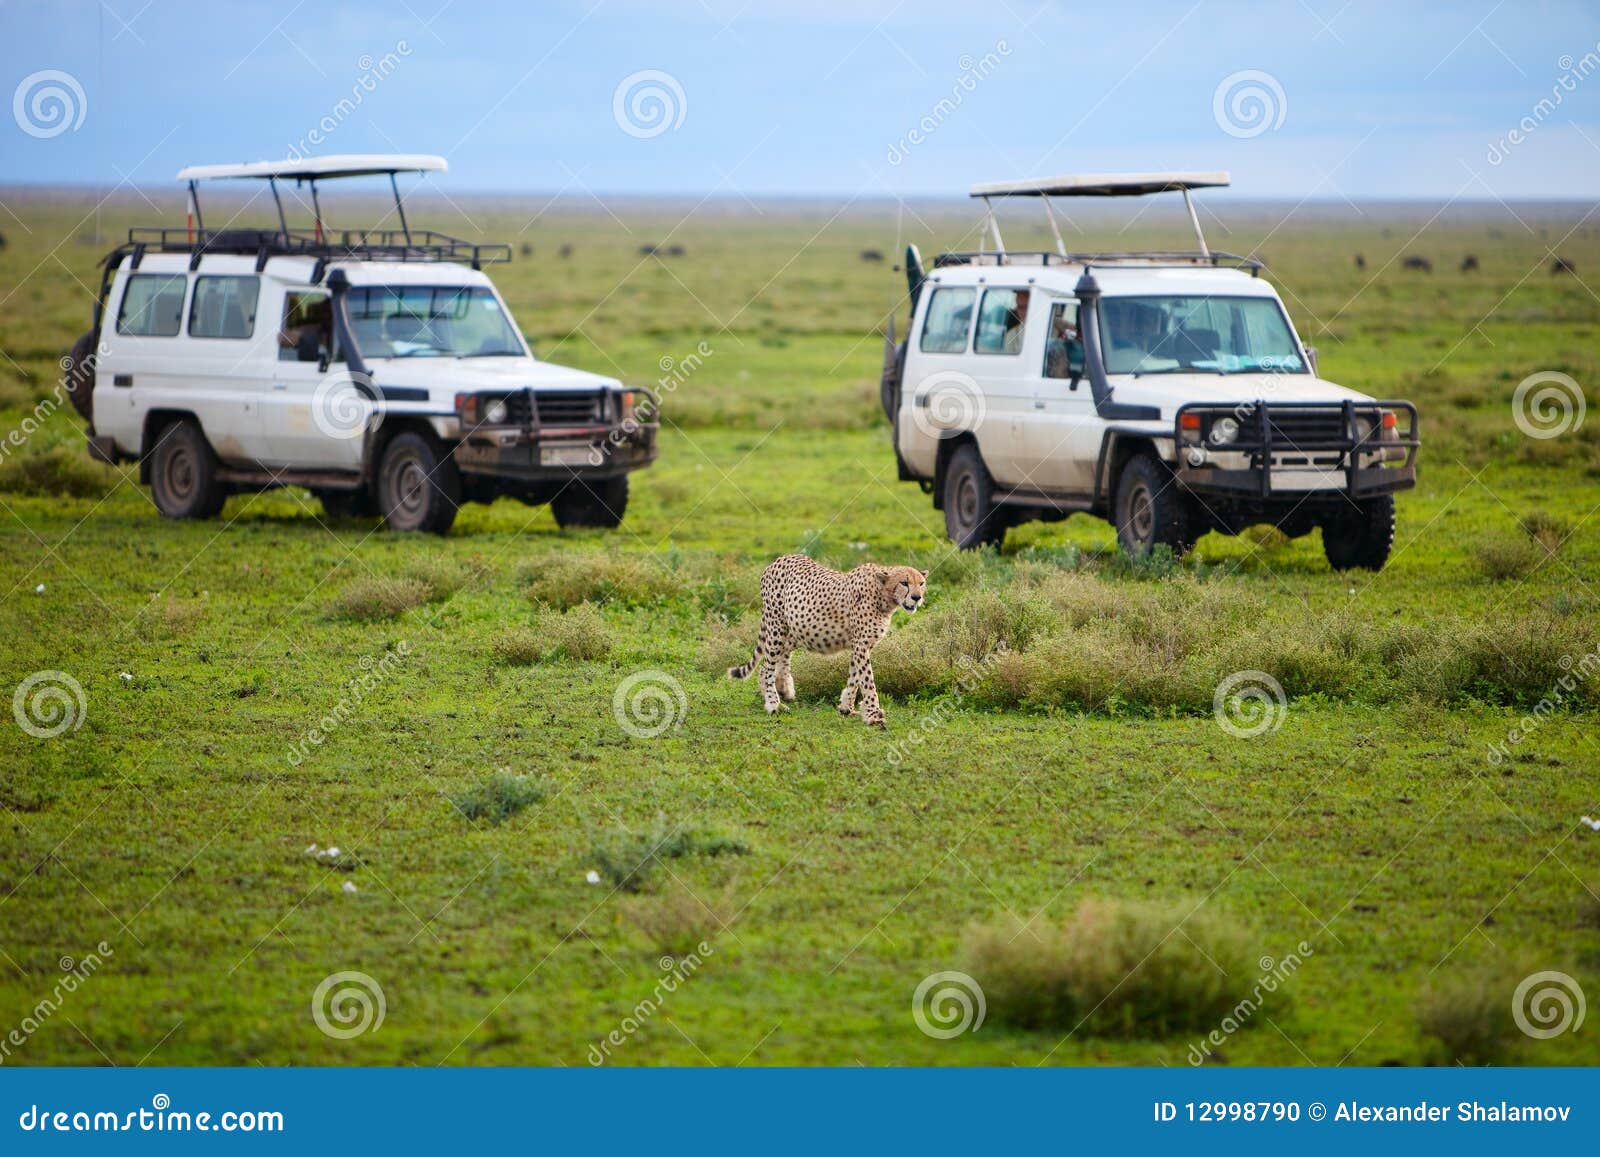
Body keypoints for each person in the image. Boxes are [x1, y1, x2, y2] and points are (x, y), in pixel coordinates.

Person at [1002, 290, 1030, 354]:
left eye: (1027, 307)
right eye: (1020, 307)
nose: (1025, 312)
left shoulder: (1054, 328)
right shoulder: (1012, 335)